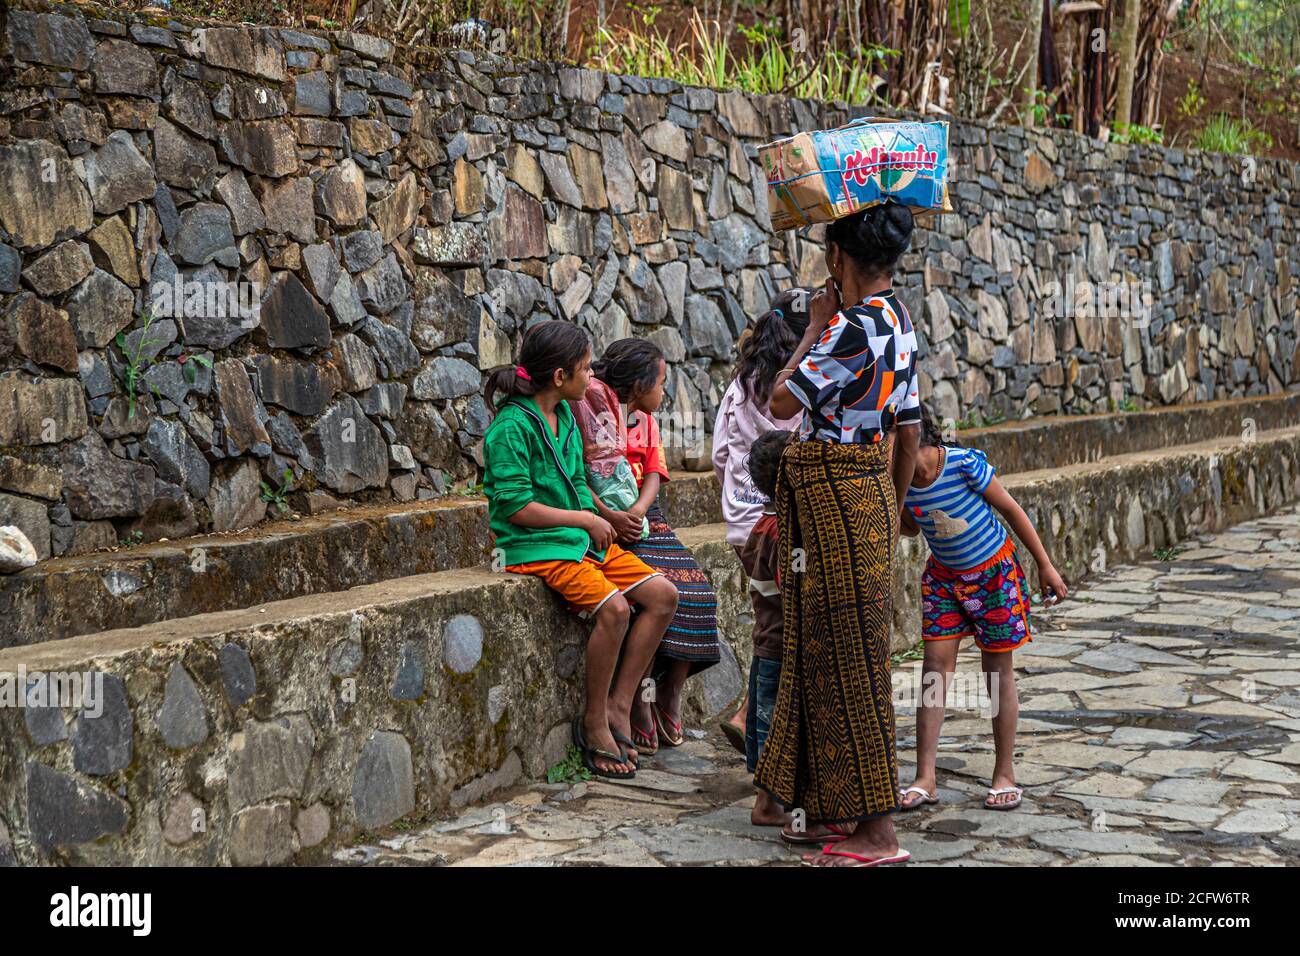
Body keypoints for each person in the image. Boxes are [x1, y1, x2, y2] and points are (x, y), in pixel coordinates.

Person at [755, 199, 922, 868]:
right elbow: (907, 428)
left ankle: (876, 832)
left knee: (847, 660)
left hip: (832, 491)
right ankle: (807, 802)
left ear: (835, 257)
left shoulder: (848, 327)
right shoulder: (900, 321)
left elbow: (781, 402)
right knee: (823, 647)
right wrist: (893, 506)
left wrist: (813, 328)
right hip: (868, 493)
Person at [482, 320, 679, 779]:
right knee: (615, 611)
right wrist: (585, 520)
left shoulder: (565, 416)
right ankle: (593, 721)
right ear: (559, 377)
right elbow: (514, 506)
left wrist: (602, 516)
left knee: (663, 596)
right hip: (535, 546)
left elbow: (575, 484)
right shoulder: (511, 428)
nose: (592, 379)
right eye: (586, 369)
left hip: (578, 539)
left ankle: (619, 704)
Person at [898, 405, 1068, 812]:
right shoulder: (900, 479)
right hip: (944, 581)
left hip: (993, 576)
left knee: (997, 673)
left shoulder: (961, 465)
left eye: (888, 441)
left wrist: (1044, 564)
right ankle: (926, 777)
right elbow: (908, 526)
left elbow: (1011, 509)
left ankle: (1004, 773)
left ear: (913, 438)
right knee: (934, 670)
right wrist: (896, 494)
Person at [578, 338, 721, 755]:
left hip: (644, 518)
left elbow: (654, 474)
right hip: (609, 518)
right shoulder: (590, 414)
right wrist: (610, 517)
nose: (665, 392)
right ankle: (639, 697)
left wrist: (638, 512)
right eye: (660, 382)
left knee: (700, 594)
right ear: (639, 384)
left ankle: (669, 692)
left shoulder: (646, 422)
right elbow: (581, 477)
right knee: (652, 595)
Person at [712, 289, 809, 754]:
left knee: (770, 617)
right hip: (780, 524)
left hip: (742, 526)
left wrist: (736, 502)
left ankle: (752, 719)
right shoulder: (799, 389)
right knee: (788, 624)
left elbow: (718, 455)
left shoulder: (738, 387)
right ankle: (757, 723)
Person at [738, 428, 796, 826]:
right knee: (776, 720)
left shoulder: (761, 525)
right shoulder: (782, 532)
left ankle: (768, 797)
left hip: (764, 642)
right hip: (779, 644)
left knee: (764, 718)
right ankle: (768, 804)